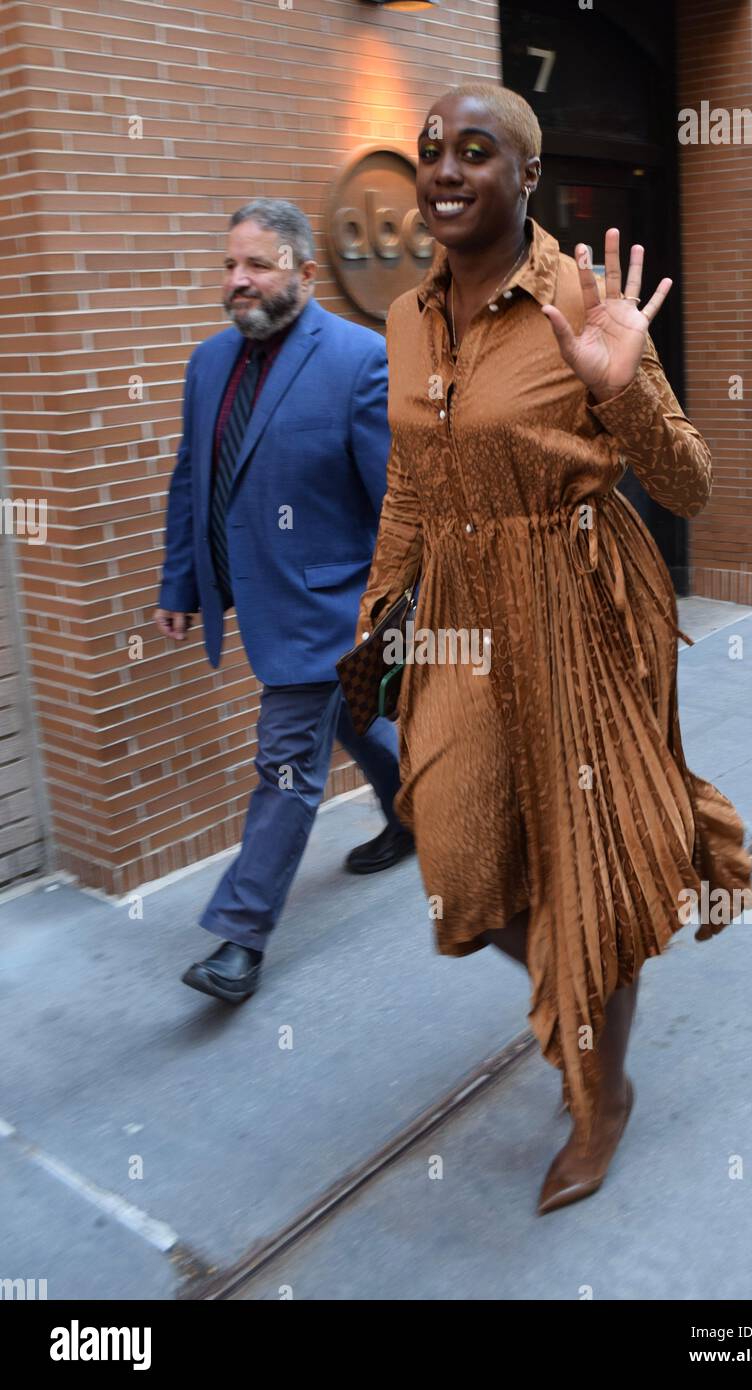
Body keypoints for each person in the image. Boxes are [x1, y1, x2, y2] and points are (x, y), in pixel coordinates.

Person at [353, 86, 752, 1214]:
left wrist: (622, 393)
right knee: (459, 852)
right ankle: (579, 959)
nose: (443, 169)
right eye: (430, 149)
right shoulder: (403, 318)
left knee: (583, 865)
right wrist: (379, 614)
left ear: (526, 175)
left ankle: (600, 1090)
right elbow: (407, 484)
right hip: (463, 612)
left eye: (474, 151)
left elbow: (689, 483)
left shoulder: (578, 296)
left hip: (580, 602)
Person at [155, 199, 414, 1005]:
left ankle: (240, 938)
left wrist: (394, 610)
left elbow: (396, 501)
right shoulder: (208, 363)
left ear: (304, 273)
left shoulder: (357, 358)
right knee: (355, 717)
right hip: (257, 597)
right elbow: (191, 478)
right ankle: (419, 813)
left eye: (257, 265)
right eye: (230, 265)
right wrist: (183, 584)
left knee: (286, 767)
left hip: (328, 606)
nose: (238, 281)